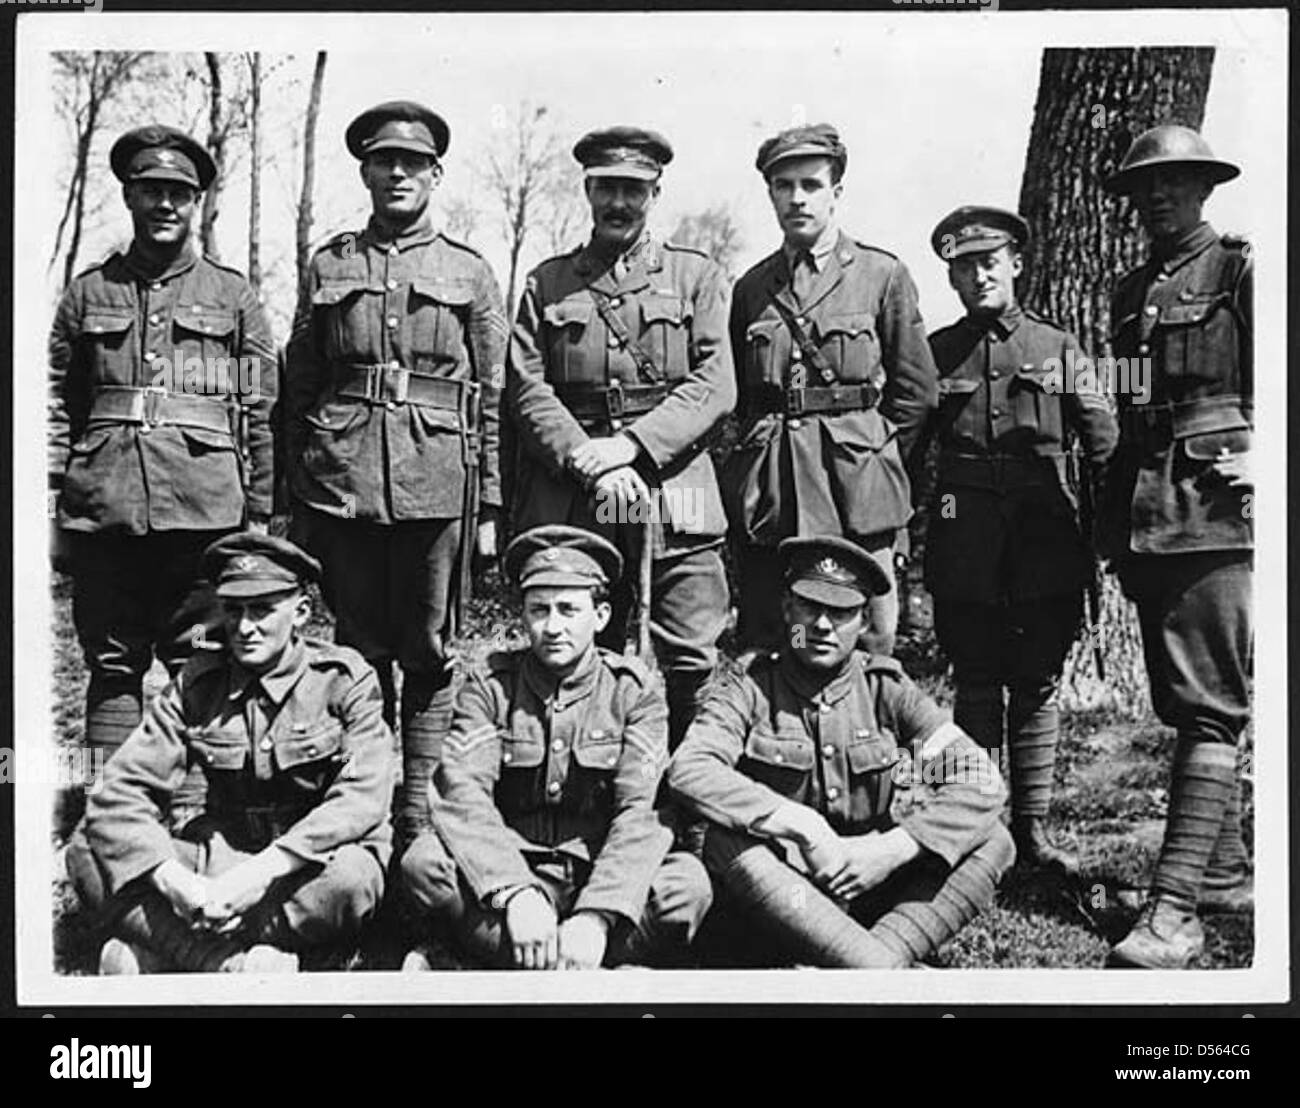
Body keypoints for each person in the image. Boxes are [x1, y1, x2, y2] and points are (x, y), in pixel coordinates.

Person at [284, 100, 506, 848]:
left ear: (435, 175)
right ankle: (367, 813)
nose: (399, 173)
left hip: (437, 479)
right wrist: (294, 497)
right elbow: (301, 381)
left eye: (413, 163)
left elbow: (494, 395)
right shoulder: (330, 263)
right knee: (357, 646)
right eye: (385, 161)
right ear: (367, 172)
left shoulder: (468, 271)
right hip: (341, 480)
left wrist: (491, 506)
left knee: (430, 652)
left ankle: (418, 821)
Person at [48, 124, 276, 821]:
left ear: (198, 201)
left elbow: (260, 407)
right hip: (105, 508)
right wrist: (50, 499)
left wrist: (260, 517)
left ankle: (197, 817)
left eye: (180, 193)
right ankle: (112, 821)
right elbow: (56, 402)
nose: (166, 205)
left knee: (202, 664)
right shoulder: (89, 294)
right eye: (153, 191)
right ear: (129, 195)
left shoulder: (233, 298)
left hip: (203, 513)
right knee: (112, 666)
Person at [668, 536, 1014, 968]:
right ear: (787, 610)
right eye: (810, 607)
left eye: (841, 612)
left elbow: (979, 778)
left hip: (868, 878)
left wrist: (893, 849)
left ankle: (870, 958)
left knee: (994, 839)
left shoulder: (887, 689)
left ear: (865, 622)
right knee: (723, 841)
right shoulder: (749, 686)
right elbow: (691, 769)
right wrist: (800, 825)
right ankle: (881, 973)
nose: (822, 625)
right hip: (782, 892)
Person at [67, 533, 396, 974]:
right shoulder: (197, 682)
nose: (243, 627)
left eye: (262, 610)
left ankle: (165, 945)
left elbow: (362, 798)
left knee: (353, 882)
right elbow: (119, 791)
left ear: (300, 613)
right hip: (219, 860)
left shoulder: (343, 679)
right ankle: (230, 963)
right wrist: (173, 879)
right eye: (233, 610)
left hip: (307, 864)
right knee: (87, 849)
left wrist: (259, 875)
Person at [506, 126, 734, 750]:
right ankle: (587, 792)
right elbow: (527, 389)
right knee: (580, 648)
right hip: (581, 494)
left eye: (633, 190)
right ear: (587, 190)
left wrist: (630, 447)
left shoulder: (696, 278)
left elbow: (714, 384)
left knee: (691, 654)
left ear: (655, 193)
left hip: (674, 492)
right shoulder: (547, 284)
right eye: (606, 188)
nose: (618, 203)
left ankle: (691, 804)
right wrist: (594, 464)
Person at [400, 525, 713, 970]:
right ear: (522, 616)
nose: (552, 627)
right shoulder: (490, 686)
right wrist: (514, 892)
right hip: (511, 871)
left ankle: (510, 957)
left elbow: (640, 813)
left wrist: (598, 915)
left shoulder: (632, 691)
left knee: (687, 888)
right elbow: (463, 795)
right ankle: (587, 967)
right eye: (539, 610)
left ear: (601, 615)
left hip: (597, 867)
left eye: (569, 610)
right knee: (424, 867)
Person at [922, 206, 1117, 876]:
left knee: (1034, 682)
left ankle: (1033, 832)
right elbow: (904, 445)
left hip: (1044, 540)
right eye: (964, 266)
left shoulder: (1057, 347)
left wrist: (1109, 533)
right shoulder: (935, 352)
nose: (978, 276)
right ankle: (979, 827)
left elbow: (1102, 439)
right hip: (963, 540)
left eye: (989, 262)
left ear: (1016, 264)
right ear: (950, 275)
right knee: (974, 677)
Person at [1099, 125, 1253, 968]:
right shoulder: (1132, 291)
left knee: (1208, 706)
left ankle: (1176, 913)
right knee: (1182, 699)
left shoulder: (1239, 270)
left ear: (1204, 185)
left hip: (1220, 502)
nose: (1158, 196)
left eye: (1174, 181)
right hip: (1150, 507)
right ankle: (1223, 870)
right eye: (1144, 187)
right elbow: (1129, 404)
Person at [723, 123, 938, 656]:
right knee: (774, 630)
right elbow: (742, 398)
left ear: (836, 192)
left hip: (857, 492)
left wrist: (873, 457)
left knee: (867, 634)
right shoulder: (752, 288)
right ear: (770, 193)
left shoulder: (880, 274)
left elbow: (916, 393)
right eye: (784, 185)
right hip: (774, 490)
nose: (797, 198)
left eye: (812, 184)